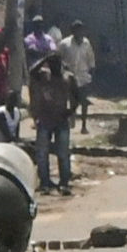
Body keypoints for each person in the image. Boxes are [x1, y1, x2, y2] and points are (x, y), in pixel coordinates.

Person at [26, 49, 79, 195]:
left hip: (61, 119)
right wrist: (44, 58)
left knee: (63, 152)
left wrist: (71, 111)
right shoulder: (43, 76)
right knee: (42, 153)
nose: (55, 66)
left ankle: (64, 182)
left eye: (57, 63)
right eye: (52, 63)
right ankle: (45, 182)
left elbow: (77, 96)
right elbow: (31, 71)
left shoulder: (68, 78)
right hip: (44, 119)